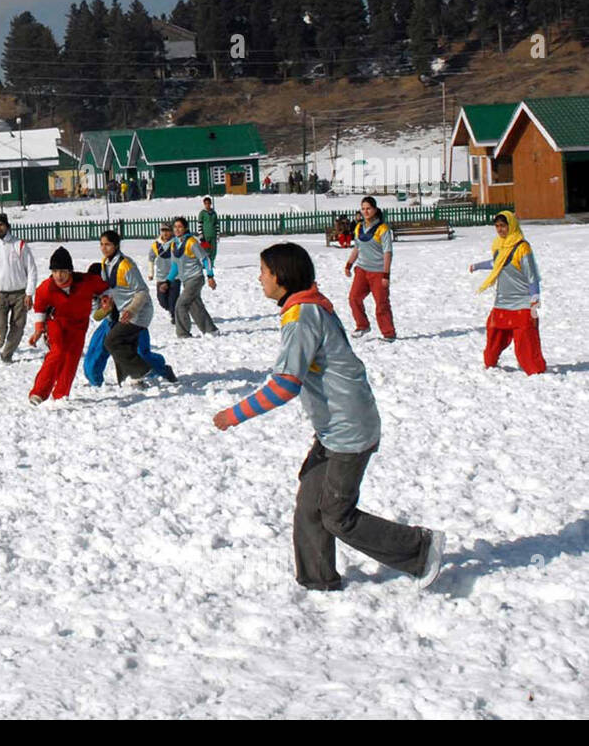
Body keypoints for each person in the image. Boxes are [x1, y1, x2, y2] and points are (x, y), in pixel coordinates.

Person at [213, 243, 445, 591]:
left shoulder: (302, 315)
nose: (259, 277)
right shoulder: (304, 307)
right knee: (310, 504)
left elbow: (285, 385)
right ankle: (317, 581)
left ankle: (420, 550)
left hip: (348, 430)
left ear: (281, 276)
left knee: (337, 515)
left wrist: (234, 415)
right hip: (334, 428)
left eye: (263, 270)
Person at [27, 247, 112, 403]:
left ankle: (61, 395)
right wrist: (39, 329)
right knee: (57, 352)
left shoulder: (86, 281)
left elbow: (105, 289)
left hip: (79, 325)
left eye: (63, 271)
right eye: (55, 271)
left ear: (70, 271)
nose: (59, 275)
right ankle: (39, 392)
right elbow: (39, 307)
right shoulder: (46, 288)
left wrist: (105, 298)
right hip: (56, 322)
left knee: (71, 358)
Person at [469, 210, 545, 375]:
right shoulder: (499, 245)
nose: (500, 230)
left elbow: (532, 276)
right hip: (502, 301)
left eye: (503, 226)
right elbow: (496, 263)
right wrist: (477, 266)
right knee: (493, 337)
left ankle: (535, 371)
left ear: (511, 225)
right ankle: (490, 364)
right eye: (497, 226)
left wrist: (534, 300)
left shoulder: (522, 247)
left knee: (526, 342)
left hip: (523, 303)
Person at [98, 230, 175, 387]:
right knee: (126, 347)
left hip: (139, 312)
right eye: (101, 244)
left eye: (108, 244)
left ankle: (140, 370)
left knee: (112, 341)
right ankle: (135, 380)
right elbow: (110, 288)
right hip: (123, 312)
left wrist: (131, 310)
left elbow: (142, 292)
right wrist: (105, 300)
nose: (104, 248)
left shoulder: (126, 265)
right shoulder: (105, 263)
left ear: (116, 245)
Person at [0, 212, 38, 363]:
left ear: (7, 226)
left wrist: (29, 293)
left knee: (18, 326)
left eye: (1, 225)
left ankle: (7, 355)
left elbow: (31, 270)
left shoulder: (20, 245)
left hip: (19, 294)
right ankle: (0, 335)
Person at [344, 196, 396, 341]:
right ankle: (362, 325)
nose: (365, 212)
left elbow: (387, 252)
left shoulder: (383, 229)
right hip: (362, 269)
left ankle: (388, 333)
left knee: (381, 303)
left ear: (374, 209)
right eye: (363, 209)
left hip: (378, 271)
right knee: (354, 298)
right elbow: (357, 248)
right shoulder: (359, 227)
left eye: (368, 208)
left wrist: (386, 274)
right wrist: (349, 264)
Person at [170, 217, 218, 338]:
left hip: (195, 278)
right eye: (175, 227)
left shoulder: (191, 242)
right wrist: (167, 280)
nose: (177, 229)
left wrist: (210, 276)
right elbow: (175, 265)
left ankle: (183, 333)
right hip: (185, 280)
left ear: (185, 228)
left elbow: (205, 259)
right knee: (194, 305)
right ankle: (210, 330)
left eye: (180, 227)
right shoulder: (174, 244)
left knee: (181, 304)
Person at [147, 222, 181, 323]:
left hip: (175, 276)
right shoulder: (155, 245)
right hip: (161, 277)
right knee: (162, 300)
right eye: (163, 230)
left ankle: (175, 316)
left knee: (173, 299)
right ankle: (174, 310)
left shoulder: (176, 243)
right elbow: (151, 259)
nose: (165, 233)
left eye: (167, 230)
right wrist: (151, 273)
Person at [198, 196, 220, 265]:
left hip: (213, 235)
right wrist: (201, 235)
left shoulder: (214, 213)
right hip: (205, 235)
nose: (207, 205)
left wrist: (218, 234)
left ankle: (212, 263)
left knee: (213, 251)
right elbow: (199, 224)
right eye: (206, 203)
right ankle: (206, 264)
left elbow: (216, 224)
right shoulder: (202, 213)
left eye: (208, 203)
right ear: (204, 204)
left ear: (210, 204)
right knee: (205, 250)